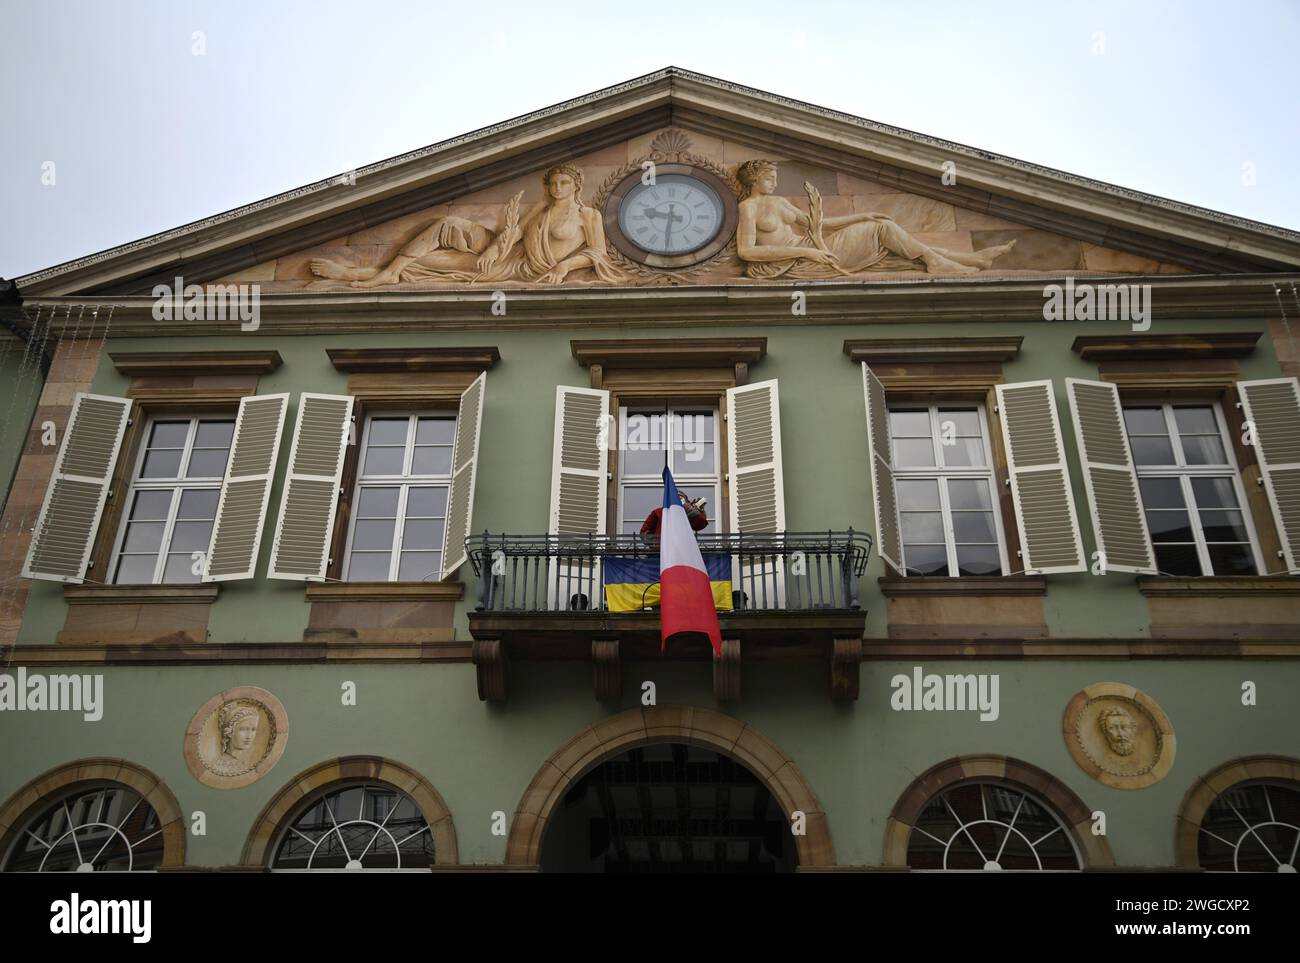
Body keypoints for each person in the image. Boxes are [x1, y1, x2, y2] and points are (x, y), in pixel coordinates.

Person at [310, 164, 627, 286]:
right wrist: (491, 247)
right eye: (553, 183)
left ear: (576, 186)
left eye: (564, 183)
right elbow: (515, 231)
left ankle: (352, 274)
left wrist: (565, 266)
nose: (557, 188)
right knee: (447, 221)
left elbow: (598, 253)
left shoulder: (589, 216)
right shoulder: (539, 209)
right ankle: (389, 272)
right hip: (504, 253)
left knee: (424, 267)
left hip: (520, 270)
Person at [734, 159, 1016, 279]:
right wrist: (806, 251)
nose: (774, 181)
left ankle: (967, 260)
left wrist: (861, 214)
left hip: (813, 247)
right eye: (769, 177)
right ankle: (940, 261)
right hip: (797, 262)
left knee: (886, 240)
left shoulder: (779, 202)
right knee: (882, 232)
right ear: (754, 180)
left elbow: (820, 225)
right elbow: (747, 251)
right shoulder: (748, 208)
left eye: (775, 176)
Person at [640, 492, 708, 543]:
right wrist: (655, 543)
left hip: (683, 550)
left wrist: (695, 510)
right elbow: (644, 532)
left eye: (681, 498)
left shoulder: (688, 513)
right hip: (661, 552)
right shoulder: (659, 512)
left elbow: (700, 525)